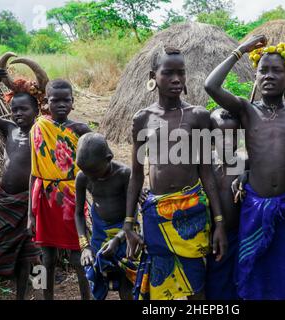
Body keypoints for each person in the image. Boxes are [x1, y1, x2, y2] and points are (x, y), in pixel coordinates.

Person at [205, 36, 285, 300]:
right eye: (263, 70)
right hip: (254, 205)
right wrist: (240, 51)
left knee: (282, 269)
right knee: (252, 267)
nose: (268, 75)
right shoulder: (246, 110)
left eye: (277, 70)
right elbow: (211, 85)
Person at [124, 46, 227, 300]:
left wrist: (219, 223)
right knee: (159, 285)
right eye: (168, 73)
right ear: (153, 75)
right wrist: (128, 222)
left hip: (192, 212)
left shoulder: (198, 116)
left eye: (181, 73)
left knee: (196, 287)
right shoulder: (142, 119)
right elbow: (137, 174)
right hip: (156, 214)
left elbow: (206, 172)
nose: (177, 79)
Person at [0, 54, 44, 299]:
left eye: (24, 109)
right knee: (1, 242)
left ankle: (35, 291)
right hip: (6, 202)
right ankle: (20, 288)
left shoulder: (40, 130)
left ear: (37, 109)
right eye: (14, 109)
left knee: (33, 252)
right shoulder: (10, 129)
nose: (17, 113)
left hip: (30, 202)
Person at [28, 79, 92, 300]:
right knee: (45, 257)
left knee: (78, 255)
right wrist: (30, 214)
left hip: (72, 198)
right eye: (56, 100)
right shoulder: (38, 128)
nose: (61, 104)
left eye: (67, 100)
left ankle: (87, 297)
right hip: (44, 200)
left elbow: (97, 163)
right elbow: (34, 173)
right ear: (47, 102)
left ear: (73, 102)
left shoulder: (81, 129)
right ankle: (46, 297)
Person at [75, 132, 137, 300]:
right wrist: (85, 247)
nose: (90, 177)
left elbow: (133, 215)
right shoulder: (83, 177)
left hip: (126, 231)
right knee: (97, 278)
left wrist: (118, 239)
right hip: (99, 233)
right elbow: (79, 213)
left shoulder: (124, 174)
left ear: (109, 158)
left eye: (94, 171)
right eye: (85, 171)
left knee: (126, 281)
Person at [205, 108, 244, 300]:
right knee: (214, 286)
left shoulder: (245, 164)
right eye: (222, 136)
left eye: (234, 135)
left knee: (236, 285)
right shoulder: (204, 166)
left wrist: (246, 176)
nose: (229, 142)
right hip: (208, 238)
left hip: (238, 236)